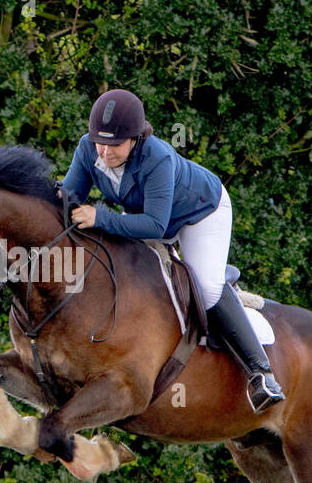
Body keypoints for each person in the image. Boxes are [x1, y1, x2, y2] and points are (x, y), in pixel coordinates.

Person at [60, 88, 285, 412]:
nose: (105, 152)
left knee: (206, 290)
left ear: (135, 139)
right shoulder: (87, 148)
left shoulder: (157, 157)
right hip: (149, 216)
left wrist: (101, 217)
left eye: (115, 145)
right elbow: (69, 196)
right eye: (100, 142)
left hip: (200, 213)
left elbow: (154, 226)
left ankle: (261, 374)